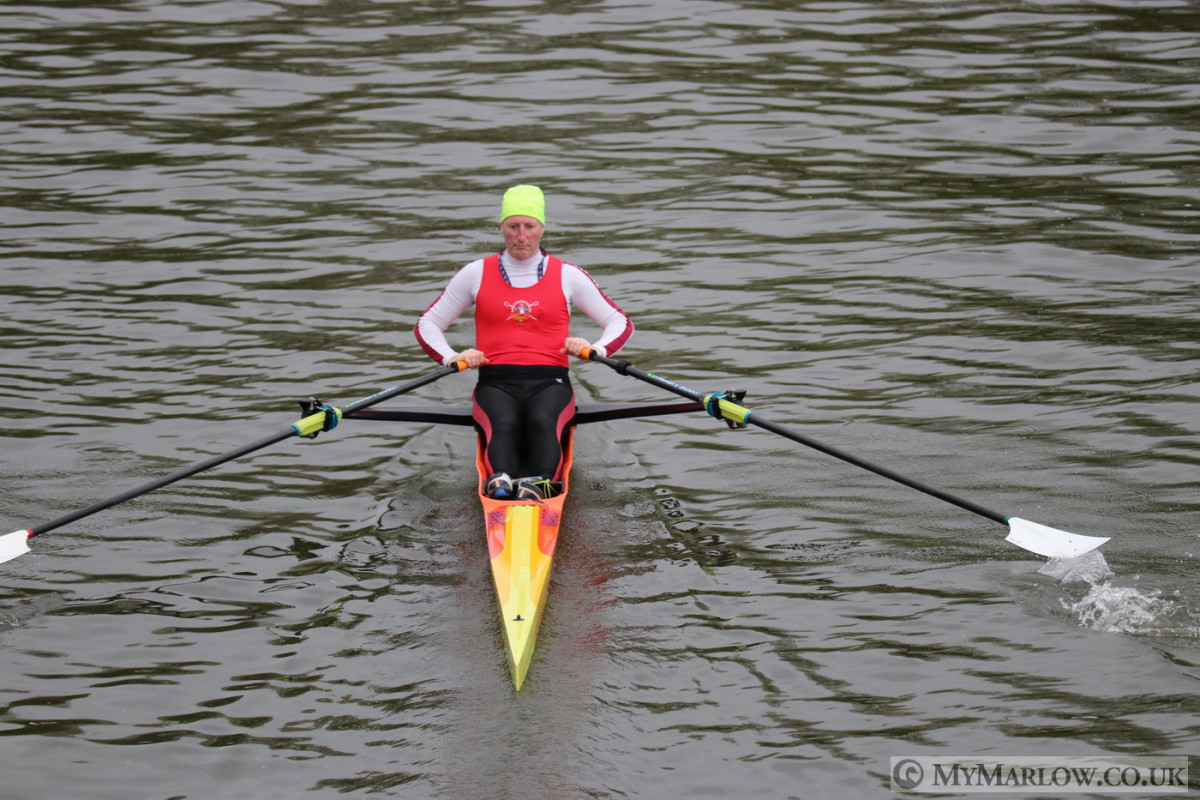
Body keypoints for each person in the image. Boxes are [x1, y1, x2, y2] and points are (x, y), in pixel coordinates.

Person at [415, 185, 633, 499]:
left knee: (544, 421)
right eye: (513, 227)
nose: (521, 236)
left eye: (529, 227)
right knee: (503, 422)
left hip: (551, 381)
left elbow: (620, 322)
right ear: (501, 229)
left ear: (542, 228)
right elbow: (428, 324)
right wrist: (452, 357)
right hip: (495, 382)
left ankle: (542, 484)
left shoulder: (568, 275)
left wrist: (595, 349)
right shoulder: (474, 274)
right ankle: (501, 482)